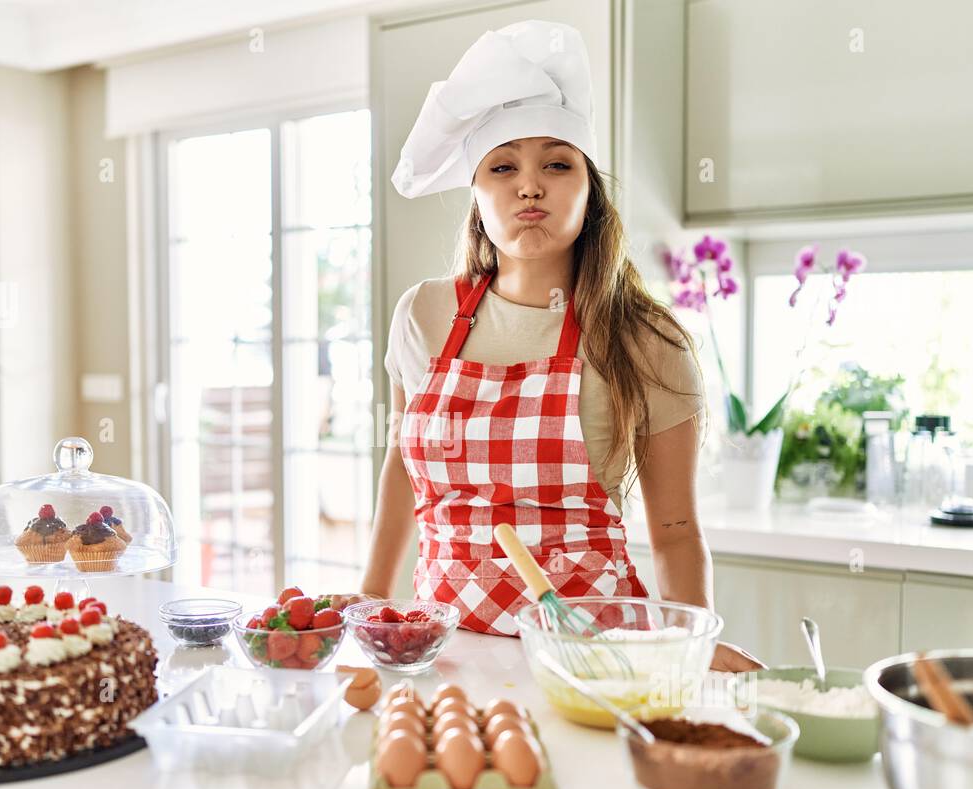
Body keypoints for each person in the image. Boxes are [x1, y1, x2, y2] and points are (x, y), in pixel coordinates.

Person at [322, 20, 761, 671]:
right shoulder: (423, 315)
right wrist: (372, 601)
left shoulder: (646, 339)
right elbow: (401, 471)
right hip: (442, 653)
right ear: (476, 192)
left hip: (590, 660)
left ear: (590, 189)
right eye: (503, 167)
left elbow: (674, 532)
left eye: (557, 164)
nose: (530, 185)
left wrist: (688, 651)